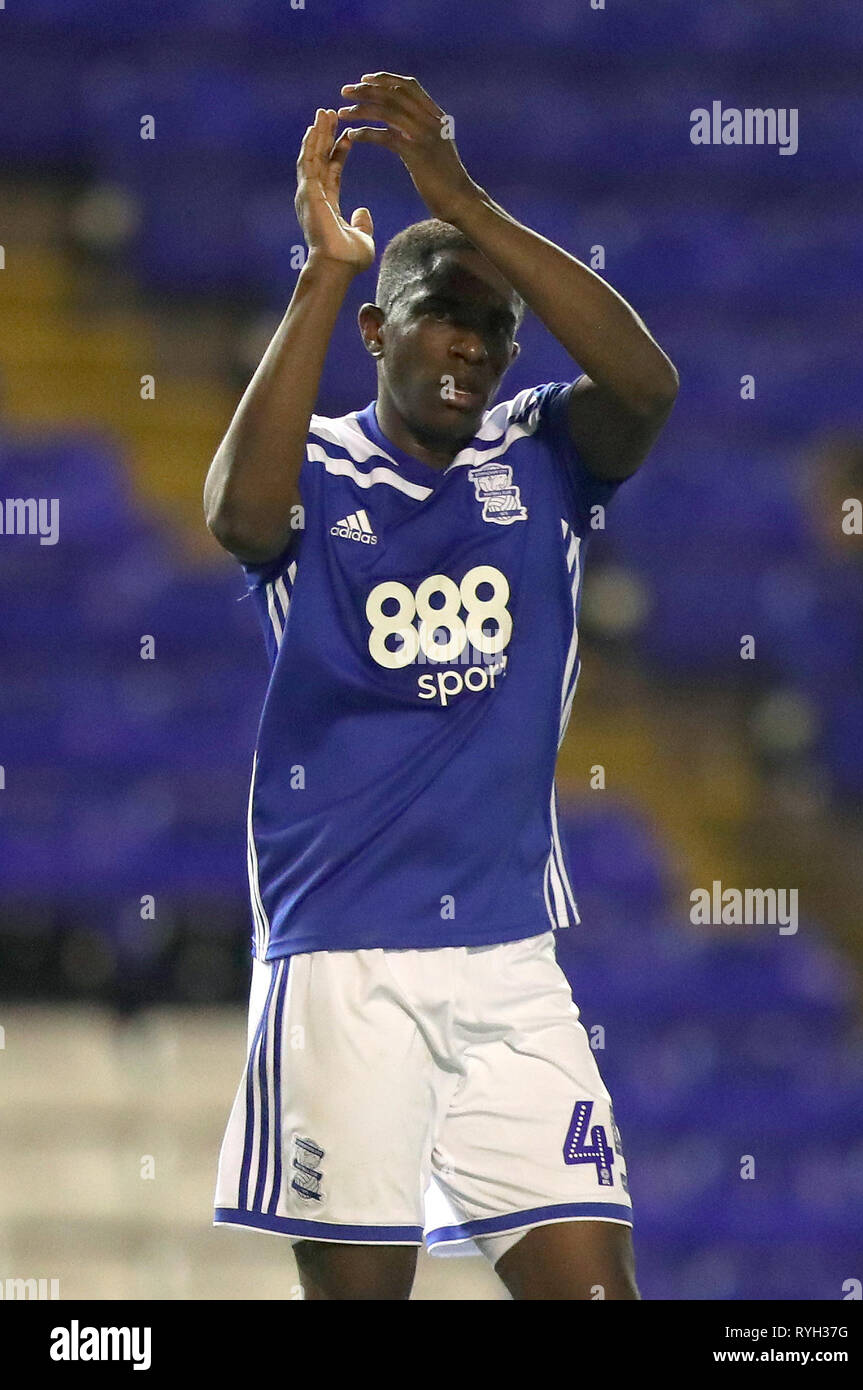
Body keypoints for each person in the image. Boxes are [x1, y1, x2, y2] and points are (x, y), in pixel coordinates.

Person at [205, 74, 678, 1300]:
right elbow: (235, 517)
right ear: (377, 332)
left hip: (513, 964)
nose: (471, 341)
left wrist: (463, 200)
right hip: (346, 961)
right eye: (438, 313)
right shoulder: (306, 465)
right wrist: (326, 270)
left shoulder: (544, 456)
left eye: (494, 325)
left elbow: (647, 387)